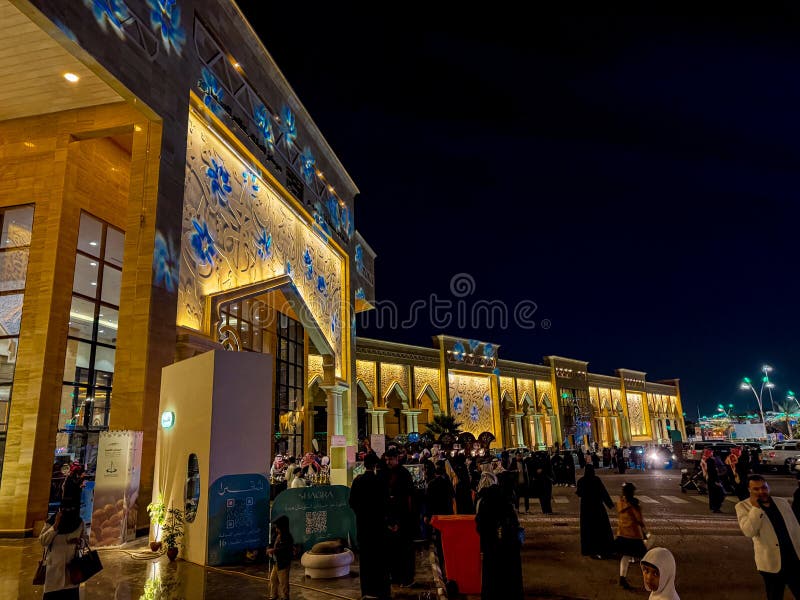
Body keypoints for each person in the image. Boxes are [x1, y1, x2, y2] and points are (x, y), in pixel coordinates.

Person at [736, 474, 800, 600]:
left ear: (768, 487)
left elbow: (795, 528)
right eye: (756, 489)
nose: (761, 491)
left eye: (764, 487)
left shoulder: (781, 502)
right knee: (775, 596)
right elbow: (749, 531)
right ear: (749, 490)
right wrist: (756, 508)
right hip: (772, 563)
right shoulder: (743, 506)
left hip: (793, 559)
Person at [475, 471, 523, 600]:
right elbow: (515, 523)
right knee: (509, 578)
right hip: (509, 546)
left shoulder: (484, 502)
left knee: (492, 577)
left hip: (491, 547)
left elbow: (480, 527)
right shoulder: (505, 501)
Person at [349, 452, 391, 600]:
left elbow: (351, 503)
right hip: (378, 526)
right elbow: (386, 503)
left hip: (363, 526)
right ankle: (380, 590)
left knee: (365, 560)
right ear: (375, 465)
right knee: (379, 559)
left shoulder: (358, 481)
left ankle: (367, 590)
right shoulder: (380, 481)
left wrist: (361, 513)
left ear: (363, 464)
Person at [380, 446, 417, 587]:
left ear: (397, 459)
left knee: (405, 551)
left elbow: (408, 498)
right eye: (387, 459)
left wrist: (400, 520)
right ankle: (394, 576)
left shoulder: (404, 474)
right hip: (387, 519)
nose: (388, 462)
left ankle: (406, 578)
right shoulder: (383, 474)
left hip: (403, 519)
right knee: (391, 551)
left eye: (391, 459)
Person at [38, 509, 85, 599]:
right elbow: (43, 541)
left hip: (71, 573)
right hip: (53, 572)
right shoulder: (51, 521)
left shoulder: (79, 523)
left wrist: (80, 541)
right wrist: (55, 525)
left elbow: (85, 541)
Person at [576, 464, 614, 559]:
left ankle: (589, 549)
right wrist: (610, 504)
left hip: (586, 508)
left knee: (588, 529)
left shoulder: (581, 481)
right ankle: (603, 548)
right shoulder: (596, 480)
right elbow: (603, 492)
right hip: (597, 507)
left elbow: (579, 493)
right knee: (600, 528)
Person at [615, 482, 648, 590]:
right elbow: (639, 520)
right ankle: (649, 580)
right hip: (634, 535)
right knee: (646, 557)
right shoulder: (634, 504)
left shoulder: (620, 502)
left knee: (625, 556)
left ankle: (622, 578)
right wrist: (645, 532)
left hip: (622, 533)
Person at [267, 515, 294, 600]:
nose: (276, 529)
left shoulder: (287, 537)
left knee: (283, 582)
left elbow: (285, 549)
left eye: (278, 527)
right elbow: (271, 544)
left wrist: (274, 550)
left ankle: (285, 597)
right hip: (276, 563)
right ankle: (274, 596)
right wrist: (268, 548)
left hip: (283, 563)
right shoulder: (276, 535)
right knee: (273, 579)